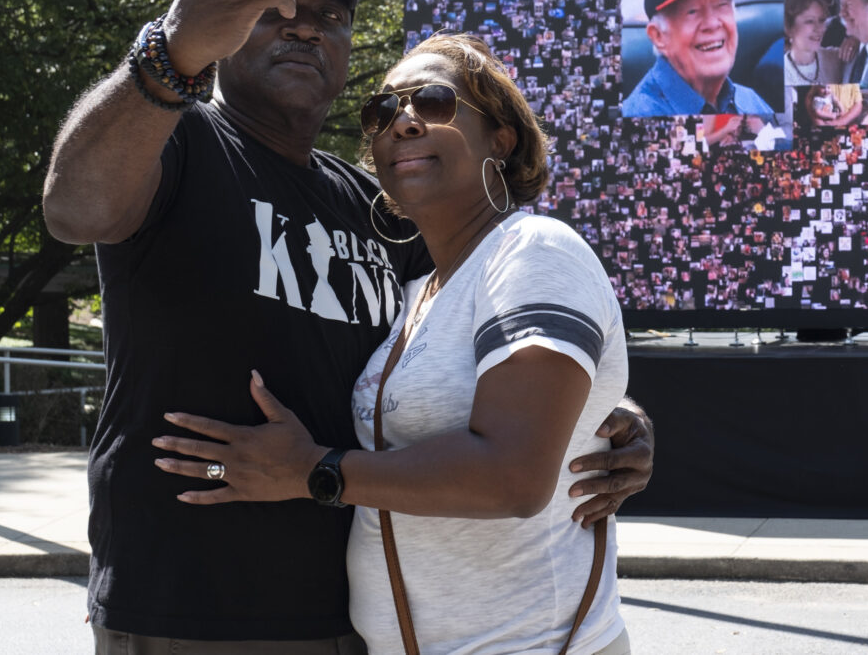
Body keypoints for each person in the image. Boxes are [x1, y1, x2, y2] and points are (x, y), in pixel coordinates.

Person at [41, 0, 652, 653]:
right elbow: (74, 207)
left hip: (347, 619)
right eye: (275, 11)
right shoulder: (177, 140)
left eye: (330, 18)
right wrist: (175, 48)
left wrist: (605, 411)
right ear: (228, 31)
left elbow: (470, 340)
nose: (304, 27)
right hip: (192, 610)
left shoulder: (380, 217)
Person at [153, 33, 631, 655]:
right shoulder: (416, 294)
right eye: (382, 112)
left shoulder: (533, 250)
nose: (402, 121)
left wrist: (315, 472)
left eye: (433, 101)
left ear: (501, 139)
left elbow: (513, 477)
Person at [621, 0, 774, 119]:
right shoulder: (640, 115)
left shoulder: (751, 102)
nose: (712, 24)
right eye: (692, 11)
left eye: (722, 5)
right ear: (659, 36)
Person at [782, 0, 843, 85]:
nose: (819, 29)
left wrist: (855, 41)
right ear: (789, 28)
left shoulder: (836, 57)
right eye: (810, 21)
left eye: (821, 20)